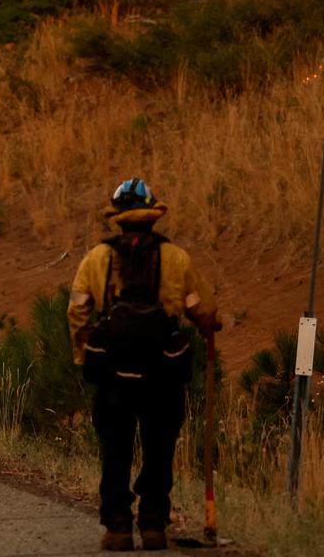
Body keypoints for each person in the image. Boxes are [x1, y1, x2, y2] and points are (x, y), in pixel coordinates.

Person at [64, 179, 220, 552]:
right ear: (153, 215)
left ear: (117, 217)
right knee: (159, 447)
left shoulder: (96, 259)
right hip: (161, 372)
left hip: (113, 373)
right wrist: (207, 325)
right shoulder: (176, 258)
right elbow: (201, 308)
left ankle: (117, 528)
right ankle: (153, 526)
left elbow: (77, 310)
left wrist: (84, 354)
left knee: (115, 448)